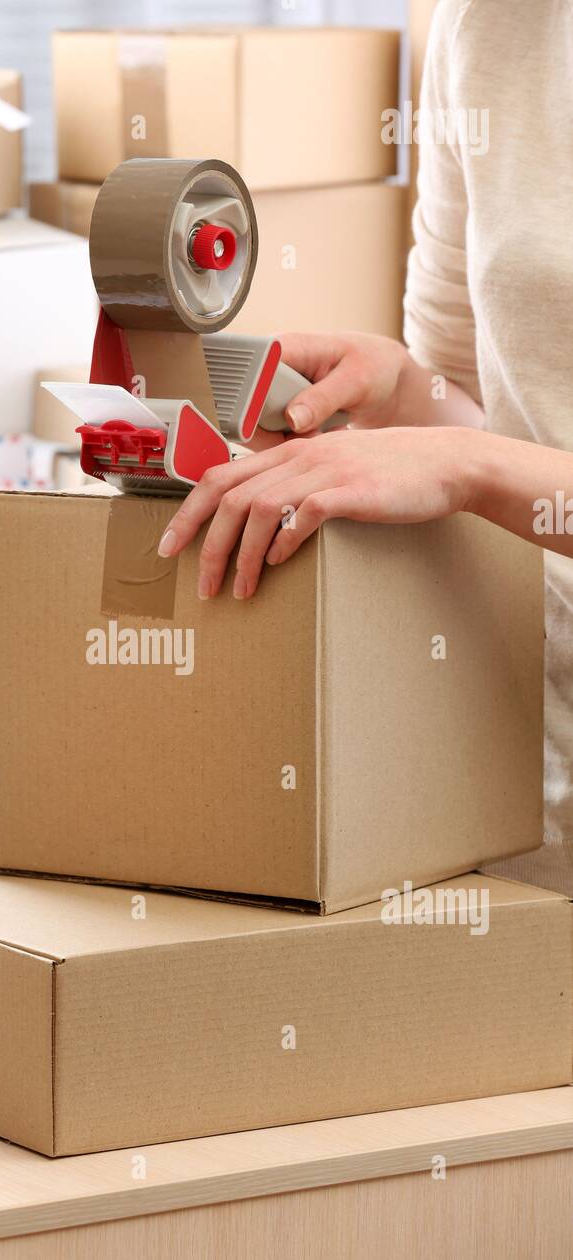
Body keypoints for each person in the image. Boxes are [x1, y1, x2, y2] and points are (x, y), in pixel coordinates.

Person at [158, 0, 573, 891]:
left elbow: (487, 464)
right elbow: (482, 414)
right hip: (525, 753)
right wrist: (399, 394)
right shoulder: (486, 25)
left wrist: (470, 467)